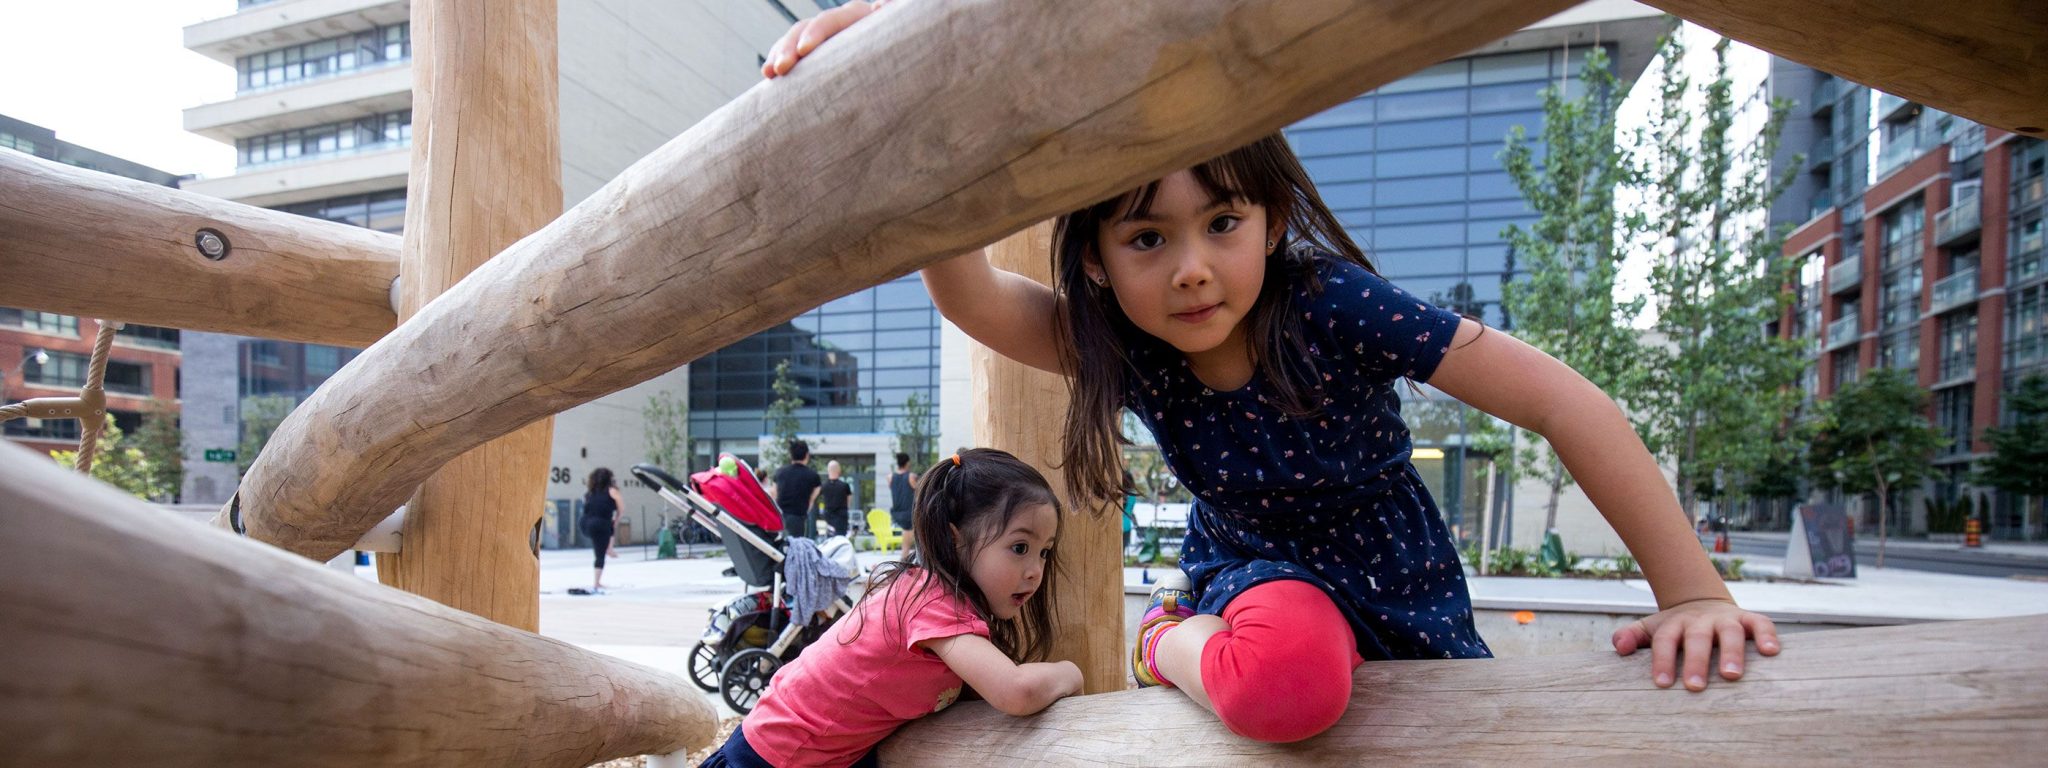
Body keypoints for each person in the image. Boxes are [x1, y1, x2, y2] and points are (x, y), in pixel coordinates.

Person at [762, 5, 1782, 744]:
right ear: (1094, 263)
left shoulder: (1329, 305)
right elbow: (972, 297)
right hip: (1252, 588)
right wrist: (914, 92)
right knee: (1287, 690)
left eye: (1220, 223)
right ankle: (1165, 638)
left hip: (1397, 584)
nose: (1192, 266)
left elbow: (1558, 398)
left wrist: (1688, 591)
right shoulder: (1125, 341)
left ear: (1271, 220)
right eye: (1147, 238)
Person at [699, 448, 1081, 767]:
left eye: (1044, 552)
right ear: (956, 540)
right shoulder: (931, 603)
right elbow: (1015, 692)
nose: (1035, 571)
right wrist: (1072, 673)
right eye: (1020, 548)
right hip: (777, 758)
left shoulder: (926, 593)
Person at [581, 468, 623, 593]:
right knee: (600, 554)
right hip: (600, 524)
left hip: (585, 523)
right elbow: (621, 509)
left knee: (607, 529)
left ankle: (609, 548)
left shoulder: (589, 493)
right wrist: (616, 520)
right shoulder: (612, 491)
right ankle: (597, 582)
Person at [770, 439, 823, 538]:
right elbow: (811, 500)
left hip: (779, 518)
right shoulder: (813, 476)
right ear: (807, 455)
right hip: (798, 519)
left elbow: (773, 494)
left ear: (791, 455)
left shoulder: (779, 473)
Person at [888, 452, 918, 558]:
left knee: (910, 543)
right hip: (908, 514)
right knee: (906, 548)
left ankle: (908, 560)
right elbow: (919, 491)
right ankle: (903, 564)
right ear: (907, 463)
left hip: (897, 513)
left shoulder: (890, 477)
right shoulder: (911, 476)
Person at [819, 460, 854, 537]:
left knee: (830, 538)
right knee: (841, 538)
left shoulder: (824, 486)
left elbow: (819, 499)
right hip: (842, 516)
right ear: (839, 470)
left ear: (828, 470)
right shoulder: (845, 486)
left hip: (828, 515)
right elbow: (849, 500)